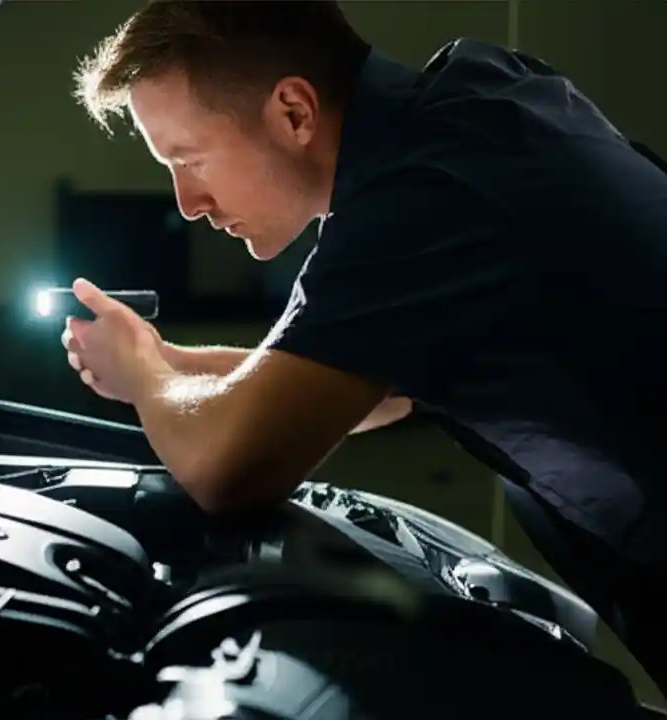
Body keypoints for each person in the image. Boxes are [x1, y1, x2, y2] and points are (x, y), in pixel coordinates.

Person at [60, 0, 667, 691]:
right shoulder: (478, 94)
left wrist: (142, 375)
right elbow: (354, 388)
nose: (187, 201)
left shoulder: (422, 199)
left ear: (293, 112)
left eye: (189, 158)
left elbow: (228, 467)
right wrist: (162, 359)